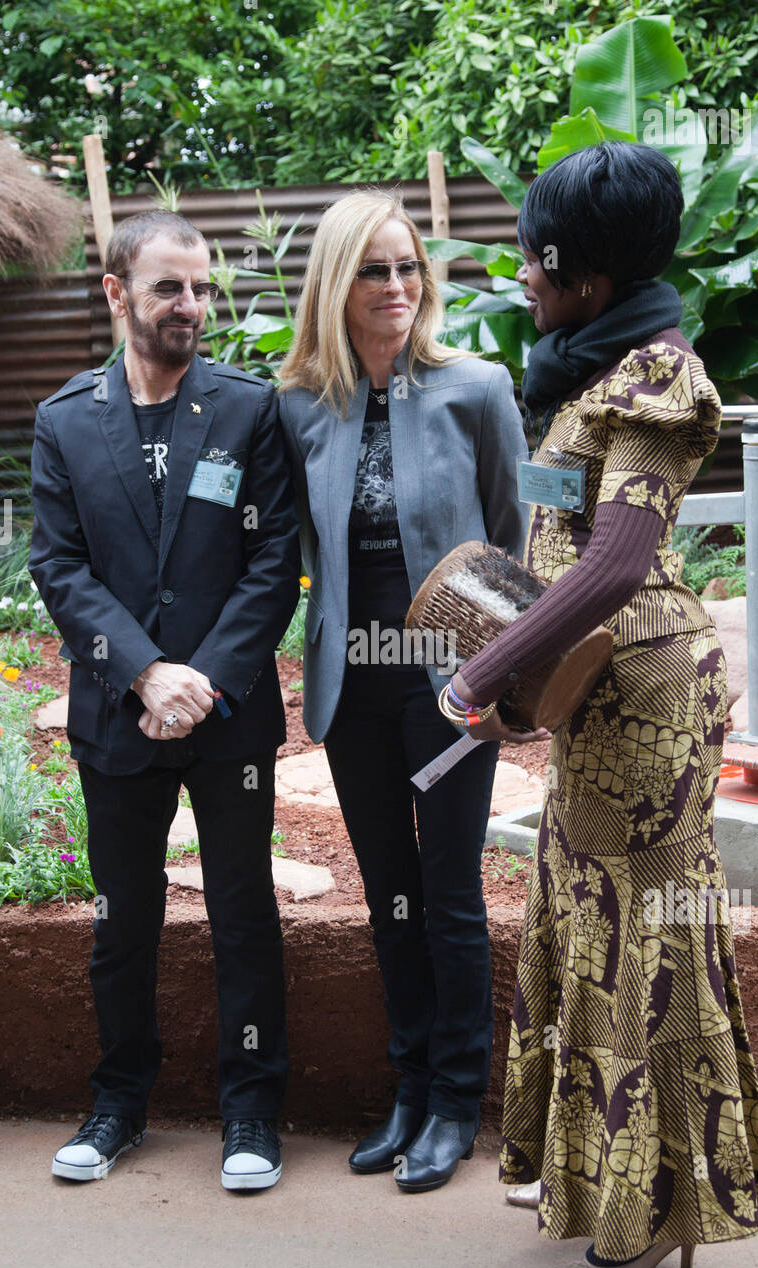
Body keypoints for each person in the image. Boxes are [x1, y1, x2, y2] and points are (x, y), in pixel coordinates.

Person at [448, 142, 758, 1268]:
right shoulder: (589, 371)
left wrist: (479, 669)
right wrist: (520, 677)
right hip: (593, 685)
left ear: (585, 273)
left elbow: (613, 564)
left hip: (645, 696)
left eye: (537, 257)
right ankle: (630, 1197)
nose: (520, 273)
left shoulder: (658, 380)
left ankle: (643, 1221)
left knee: (641, 948)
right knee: (592, 933)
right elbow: (558, 563)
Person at [29, 210, 300, 1191]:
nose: (191, 306)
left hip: (224, 717)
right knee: (122, 917)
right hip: (117, 713)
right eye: (167, 289)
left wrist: (202, 680)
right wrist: (144, 671)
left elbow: (273, 562)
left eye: (200, 288)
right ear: (116, 294)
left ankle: (251, 1112)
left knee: (241, 914)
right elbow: (58, 567)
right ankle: (117, 1104)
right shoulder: (64, 420)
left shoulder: (246, 408)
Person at [278, 190, 529, 1192]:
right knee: (386, 893)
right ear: (336, 284)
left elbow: (511, 537)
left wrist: (501, 675)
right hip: (356, 686)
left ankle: (456, 1103)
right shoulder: (300, 402)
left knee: (449, 892)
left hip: (450, 683)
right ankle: (410, 1086)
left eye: (407, 267)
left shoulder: (475, 386)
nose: (396, 287)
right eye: (374, 270)